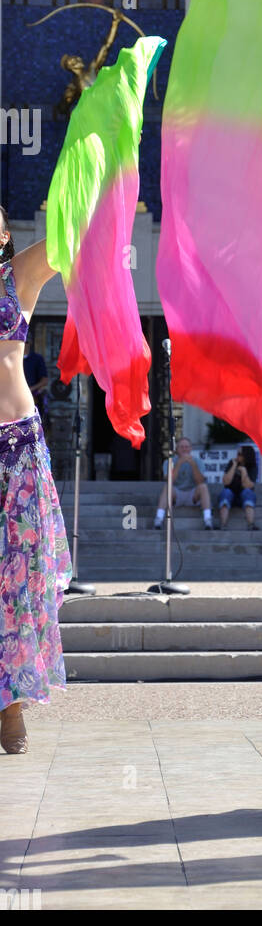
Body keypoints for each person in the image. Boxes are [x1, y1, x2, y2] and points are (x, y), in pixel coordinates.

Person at [0, 209, 70, 754]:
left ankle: (11, 702)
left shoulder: (16, 275)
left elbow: (70, 234)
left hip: (17, 448)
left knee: (17, 580)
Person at [154, 436, 213, 530]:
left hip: (193, 494)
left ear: (190, 448)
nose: (184, 449)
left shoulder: (198, 461)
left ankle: (208, 519)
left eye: (186, 447)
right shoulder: (169, 461)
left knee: (203, 487)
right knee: (167, 487)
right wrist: (178, 464)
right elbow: (170, 480)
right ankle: (159, 518)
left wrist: (193, 465)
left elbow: (200, 481)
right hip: (176, 494)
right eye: (181, 447)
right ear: (177, 449)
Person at [218, 445, 258, 530]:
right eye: (237, 453)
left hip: (244, 496)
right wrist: (233, 467)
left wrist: (243, 471)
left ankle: (251, 524)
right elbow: (226, 482)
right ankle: (223, 525)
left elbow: (248, 485)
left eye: (240, 454)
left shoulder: (252, 467)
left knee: (247, 493)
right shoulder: (232, 463)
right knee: (226, 492)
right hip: (231, 495)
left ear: (245, 455)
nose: (237, 455)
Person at [22, 330, 50, 431]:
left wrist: (30, 389)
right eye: (22, 342)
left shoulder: (37, 359)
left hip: (33, 399)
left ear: (30, 343)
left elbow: (44, 380)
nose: (24, 344)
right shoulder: (13, 358)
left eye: (26, 342)